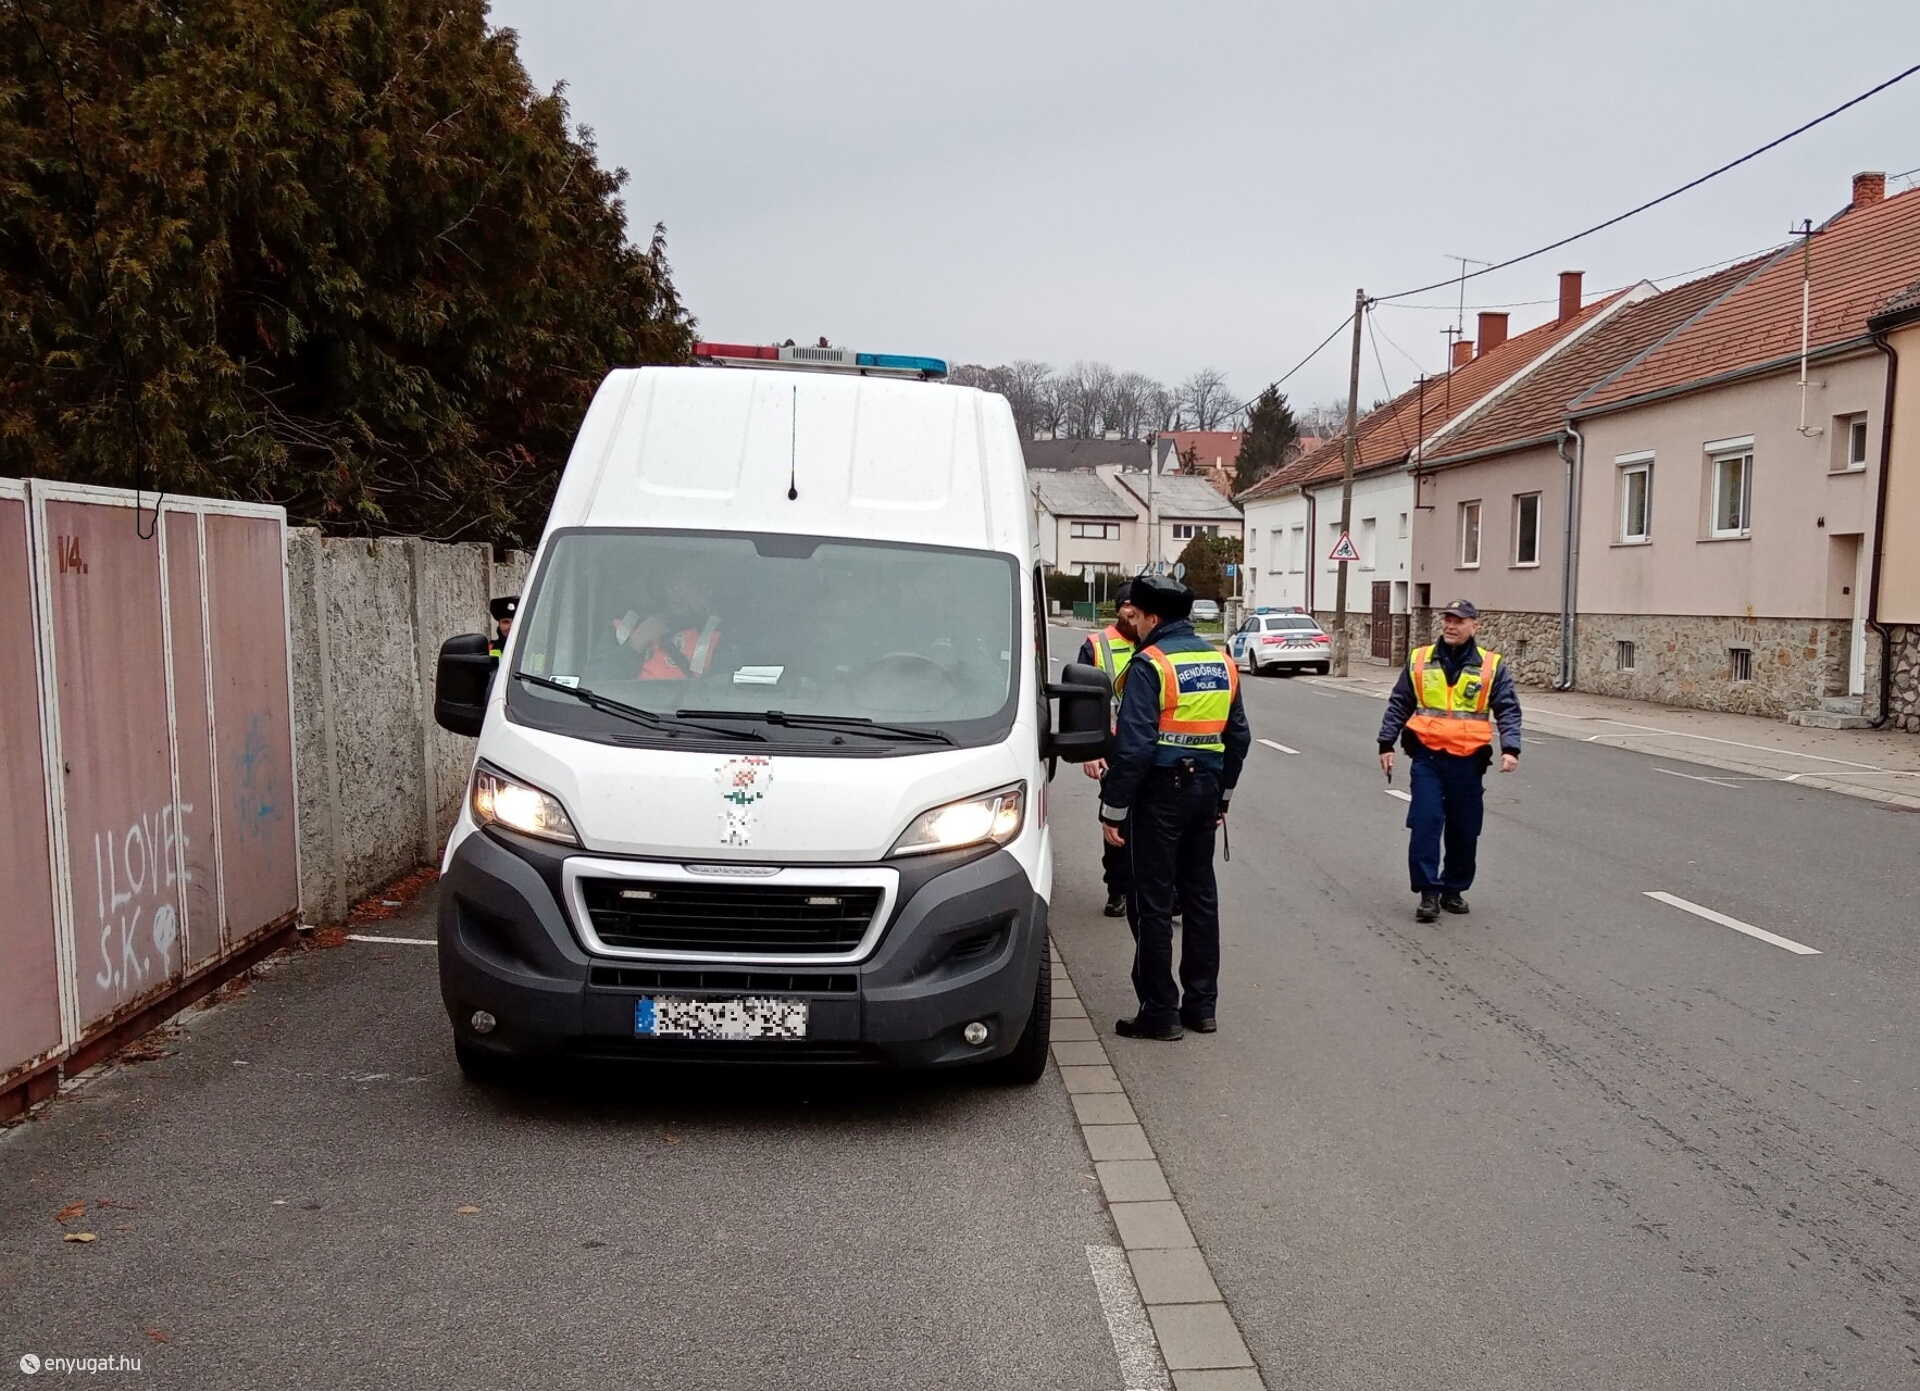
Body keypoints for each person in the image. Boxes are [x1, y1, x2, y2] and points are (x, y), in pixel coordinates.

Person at [1098, 576, 1251, 1041]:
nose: (1136, 624)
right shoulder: (1222, 661)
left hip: (1160, 793)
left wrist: (1113, 808)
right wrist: (1223, 796)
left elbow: (1135, 746)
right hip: (1205, 790)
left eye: (1138, 617)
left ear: (1153, 617)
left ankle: (1159, 1011)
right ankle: (1201, 1008)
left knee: (1152, 902)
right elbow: (1238, 736)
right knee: (1200, 896)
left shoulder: (1152, 663)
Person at [1376, 599, 1523, 923]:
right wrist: (1386, 743)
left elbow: (1508, 709)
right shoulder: (1420, 660)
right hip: (1427, 757)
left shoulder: (1491, 666)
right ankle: (1428, 892)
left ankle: (1453, 889)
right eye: (1447, 619)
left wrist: (1511, 748)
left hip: (1468, 762)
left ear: (1474, 626)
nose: (1451, 626)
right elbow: (1400, 703)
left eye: (1459, 621)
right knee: (1425, 822)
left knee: (1464, 829)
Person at [1076, 583, 1142, 917]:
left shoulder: (1157, 641)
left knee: (1159, 821)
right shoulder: (1097, 645)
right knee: (1118, 820)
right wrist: (1090, 750)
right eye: (1128, 604)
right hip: (1114, 747)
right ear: (1118, 608)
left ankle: (1162, 890)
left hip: (1156, 747)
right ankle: (1118, 890)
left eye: (1139, 605)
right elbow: (1082, 701)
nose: (1133, 611)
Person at [614, 573, 725, 681]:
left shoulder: (720, 636)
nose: (677, 592)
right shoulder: (624, 626)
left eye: (689, 583)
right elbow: (605, 678)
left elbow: (725, 687)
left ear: (706, 590)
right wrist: (635, 644)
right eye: (673, 584)